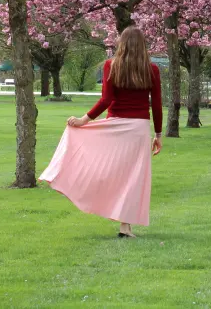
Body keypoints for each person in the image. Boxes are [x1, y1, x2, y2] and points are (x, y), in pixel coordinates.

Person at [40, 26, 163, 238]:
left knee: (106, 168)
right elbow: (158, 105)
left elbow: (106, 100)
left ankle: (71, 181)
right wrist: (159, 135)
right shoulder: (151, 70)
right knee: (134, 177)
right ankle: (125, 226)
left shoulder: (111, 66)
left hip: (115, 125)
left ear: (121, 44)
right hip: (138, 129)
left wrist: (83, 120)